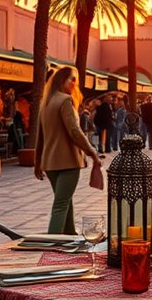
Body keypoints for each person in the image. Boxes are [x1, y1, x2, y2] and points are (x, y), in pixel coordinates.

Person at [33, 66, 101, 235]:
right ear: (61, 80)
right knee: (61, 204)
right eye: (71, 79)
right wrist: (92, 152)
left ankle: (70, 234)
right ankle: (52, 241)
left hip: (50, 163)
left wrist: (37, 162)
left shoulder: (46, 102)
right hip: (68, 161)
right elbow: (74, 131)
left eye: (75, 80)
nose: (73, 83)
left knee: (64, 199)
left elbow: (39, 136)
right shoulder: (65, 101)